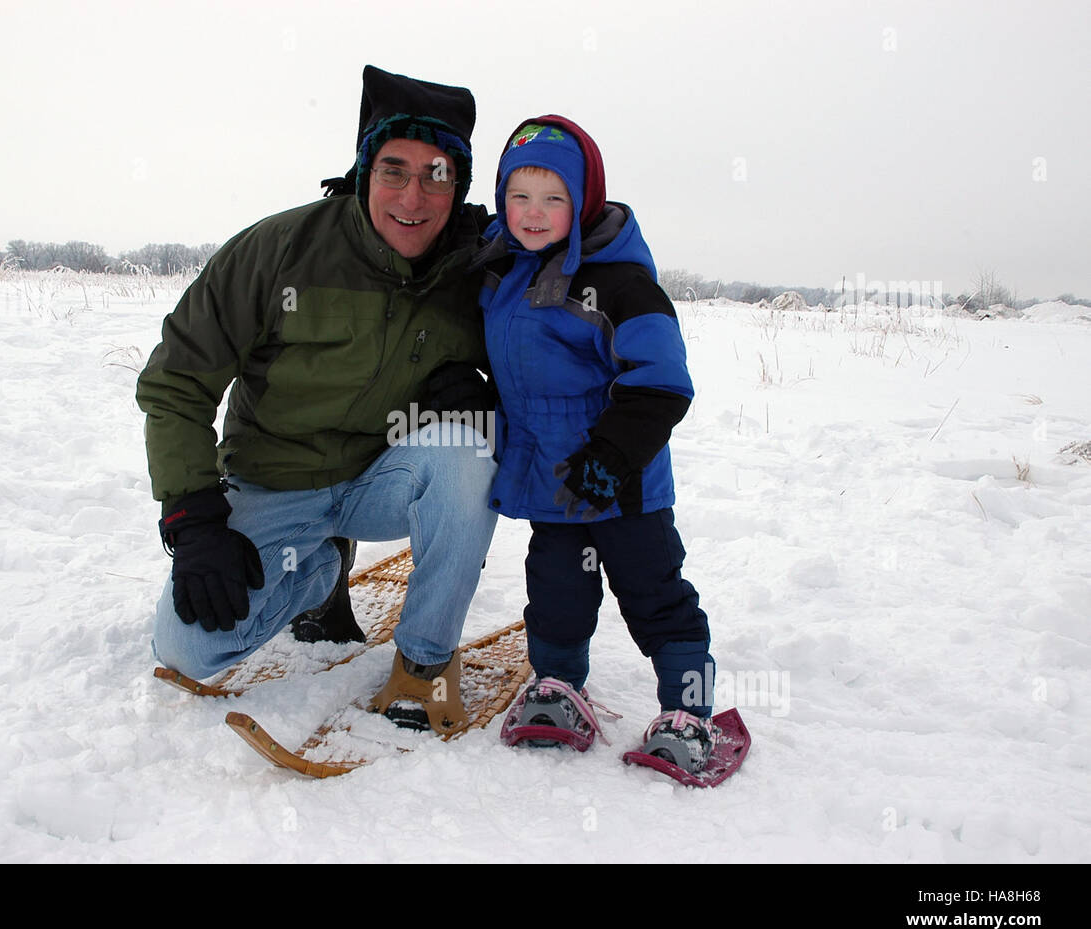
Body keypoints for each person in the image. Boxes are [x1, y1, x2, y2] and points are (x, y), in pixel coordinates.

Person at [135, 66, 497, 734]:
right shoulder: (280, 249)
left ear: (460, 185)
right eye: (394, 169)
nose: (413, 195)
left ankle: (423, 663)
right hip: (276, 481)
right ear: (363, 170)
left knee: (469, 452)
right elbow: (177, 380)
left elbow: (557, 369)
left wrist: (491, 398)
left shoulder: (478, 271)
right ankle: (318, 572)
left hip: (383, 482)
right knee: (187, 648)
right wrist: (193, 517)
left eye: (436, 174)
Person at [475, 116, 718, 772]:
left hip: (623, 486)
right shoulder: (502, 270)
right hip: (553, 485)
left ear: (582, 201)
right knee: (555, 592)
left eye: (553, 198)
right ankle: (556, 687)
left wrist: (612, 456)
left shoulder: (621, 284)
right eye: (518, 196)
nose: (533, 213)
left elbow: (663, 385)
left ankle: (690, 715)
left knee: (655, 595)